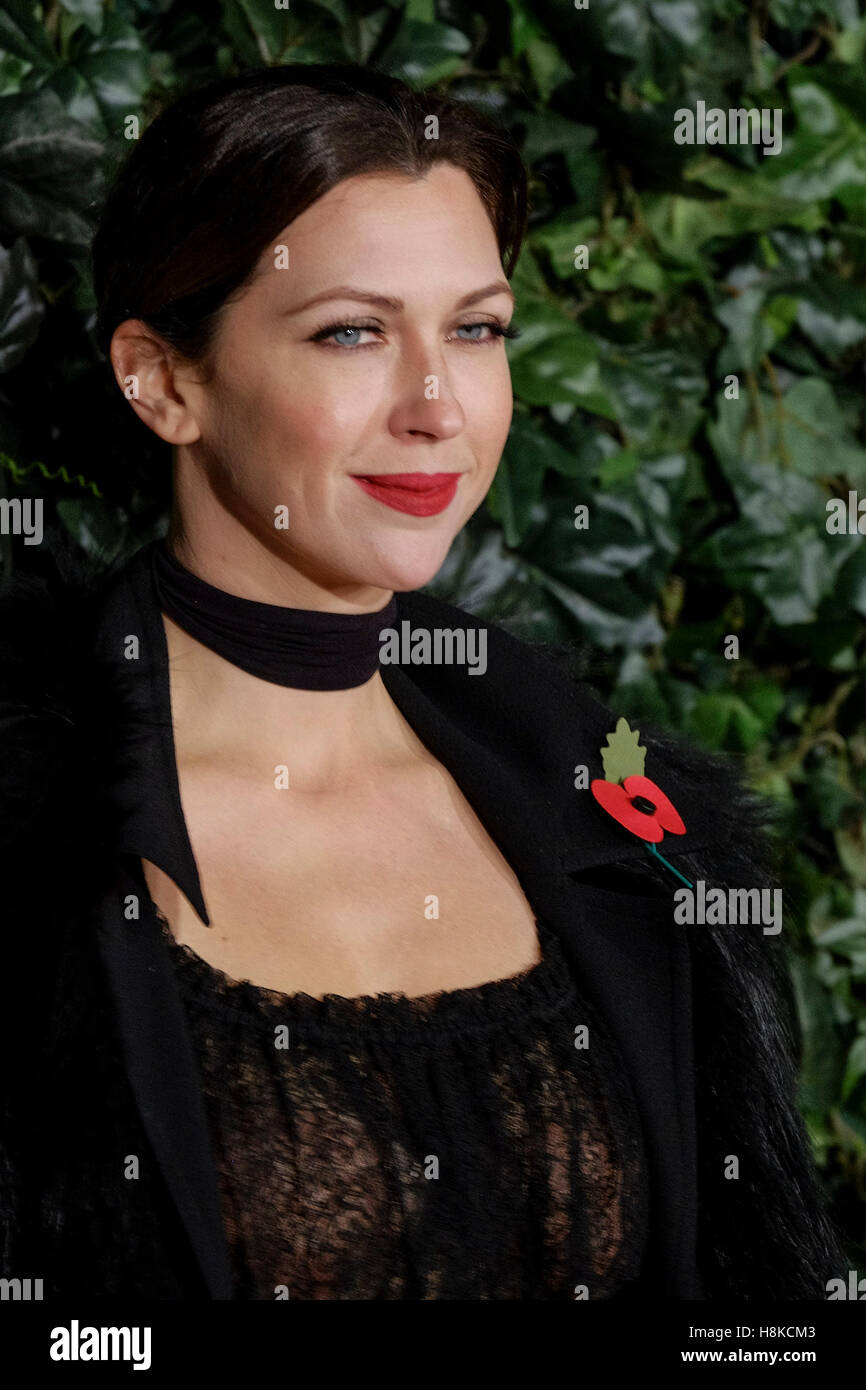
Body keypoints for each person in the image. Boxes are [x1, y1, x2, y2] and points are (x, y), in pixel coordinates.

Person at [0, 61, 849, 1301]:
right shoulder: (28, 836)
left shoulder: (633, 827)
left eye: (475, 328)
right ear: (165, 380)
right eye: (351, 331)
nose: (438, 407)